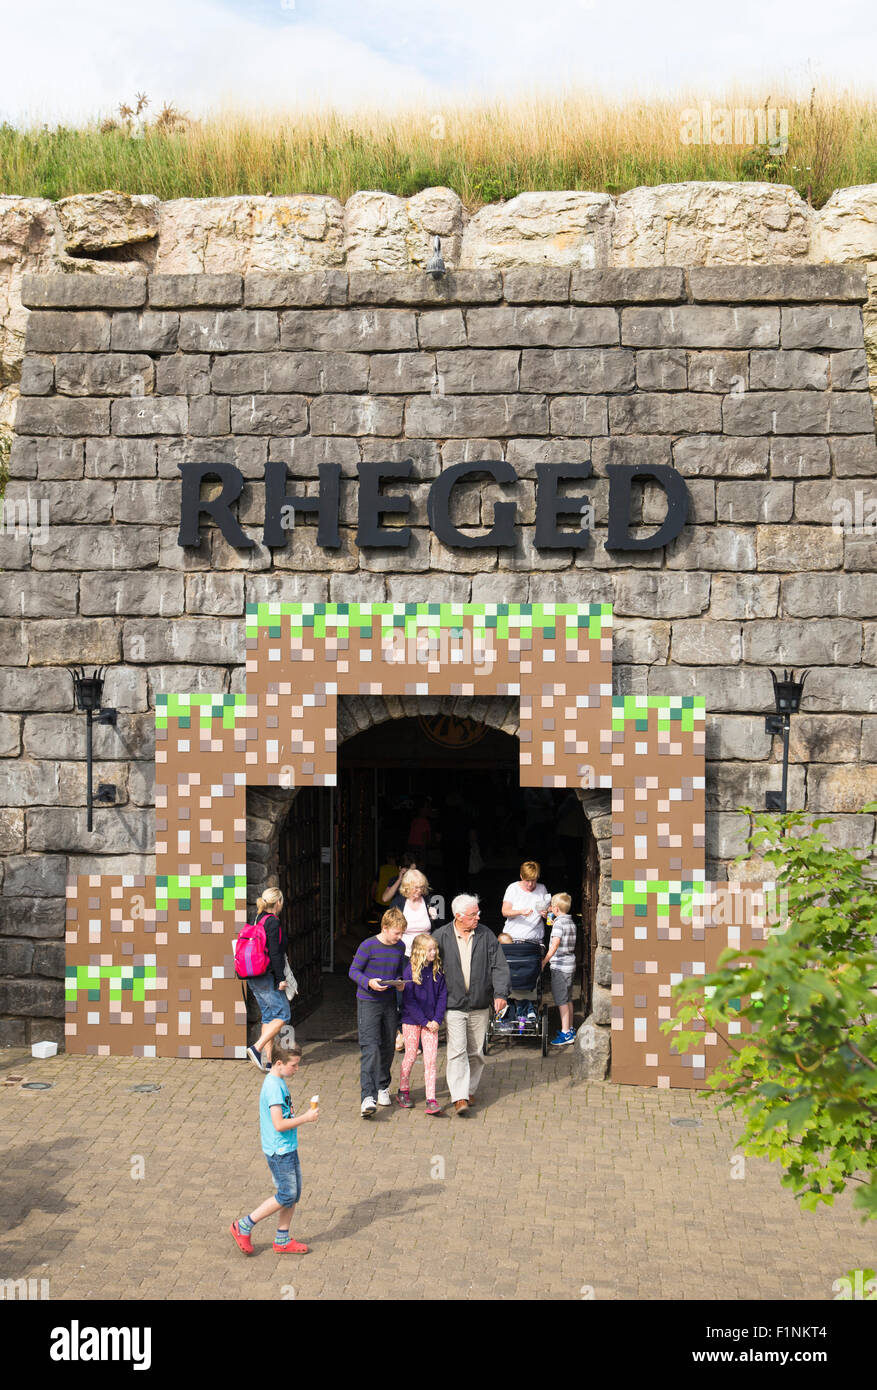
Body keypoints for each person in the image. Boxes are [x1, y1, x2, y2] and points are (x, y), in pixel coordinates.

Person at [229, 1043, 318, 1256]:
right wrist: (305, 1118)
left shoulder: (278, 1080)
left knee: (293, 1194)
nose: (297, 1069)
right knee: (287, 1194)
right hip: (280, 1151)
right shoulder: (274, 1088)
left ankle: (282, 1239)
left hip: (287, 1147)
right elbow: (279, 1124)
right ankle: (244, 1225)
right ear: (279, 1063)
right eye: (294, 1065)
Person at [432, 894, 510, 1117]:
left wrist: (501, 993)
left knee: (476, 1052)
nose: (478, 917)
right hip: (453, 1004)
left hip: (479, 1003)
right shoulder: (441, 936)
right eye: (473, 914)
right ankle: (459, 1097)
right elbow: (429, 969)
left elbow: (499, 966)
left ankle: (470, 1088)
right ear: (458, 916)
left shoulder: (486, 935)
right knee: (457, 1051)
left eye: (478, 913)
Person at [348, 907, 406, 1117]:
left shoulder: (399, 946)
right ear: (385, 927)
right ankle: (367, 1096)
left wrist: (400, 984)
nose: (399, 937)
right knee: (370, 1047)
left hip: (389, 1002)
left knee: (388, 1046)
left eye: (401, 933)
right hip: (368, 1002)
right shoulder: (368, 945)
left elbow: (399, 971)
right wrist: (368, 982)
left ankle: (383, 1086)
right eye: (396, 933)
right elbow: (353, 971)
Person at [397, 933, 448, 1115]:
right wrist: (425, 1021)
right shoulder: (409, 971)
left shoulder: (437, 970)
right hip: (412, 1021)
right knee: (410, 1055)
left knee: (431, 1060)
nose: (433, 953)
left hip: (432, 1022)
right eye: (429, 950)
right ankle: (403, 1090)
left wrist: (436, 1020)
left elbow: (442, 996)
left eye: (435, 949)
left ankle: (431, 1098)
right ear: (419, 951)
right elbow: (409, 1001)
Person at [245, 887, 291, 1071]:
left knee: (269, 1016)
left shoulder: (256, 918)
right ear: (278, 902)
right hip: (265, 976)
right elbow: (274, 953)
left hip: (252, 975)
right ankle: (257, 1048)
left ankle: (268, 1061)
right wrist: (281, 978)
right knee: (283, 1014)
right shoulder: (272, 922)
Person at [542, 892, 577, 1046]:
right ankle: (569, 1028)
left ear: (555, 909)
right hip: (570, 965)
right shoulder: (570, 922)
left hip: (560, 967)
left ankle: (565, 1034)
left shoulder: (558, 925)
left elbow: (555, 944)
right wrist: (549, 917)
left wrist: (544, 961)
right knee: (568, 997)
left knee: (561, 1000)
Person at [501, 861, 551, 945]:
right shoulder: (513, 888)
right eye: (527, 880)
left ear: (537, 877)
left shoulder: (542, 888)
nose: (530, 884)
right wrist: (520, 912)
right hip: (513, 938)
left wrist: (546, 915)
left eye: (533, 880)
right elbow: (505, 912)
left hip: (536, 940)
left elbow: (550, 915)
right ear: (521, 876)